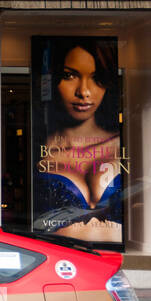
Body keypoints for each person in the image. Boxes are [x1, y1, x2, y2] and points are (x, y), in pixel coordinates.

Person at [35, 39, 124, 243]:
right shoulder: (41, 147)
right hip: (60, 255)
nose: (83, 92)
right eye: (69, 75)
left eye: (96, 77)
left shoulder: (121, 143)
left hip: (115, 254)